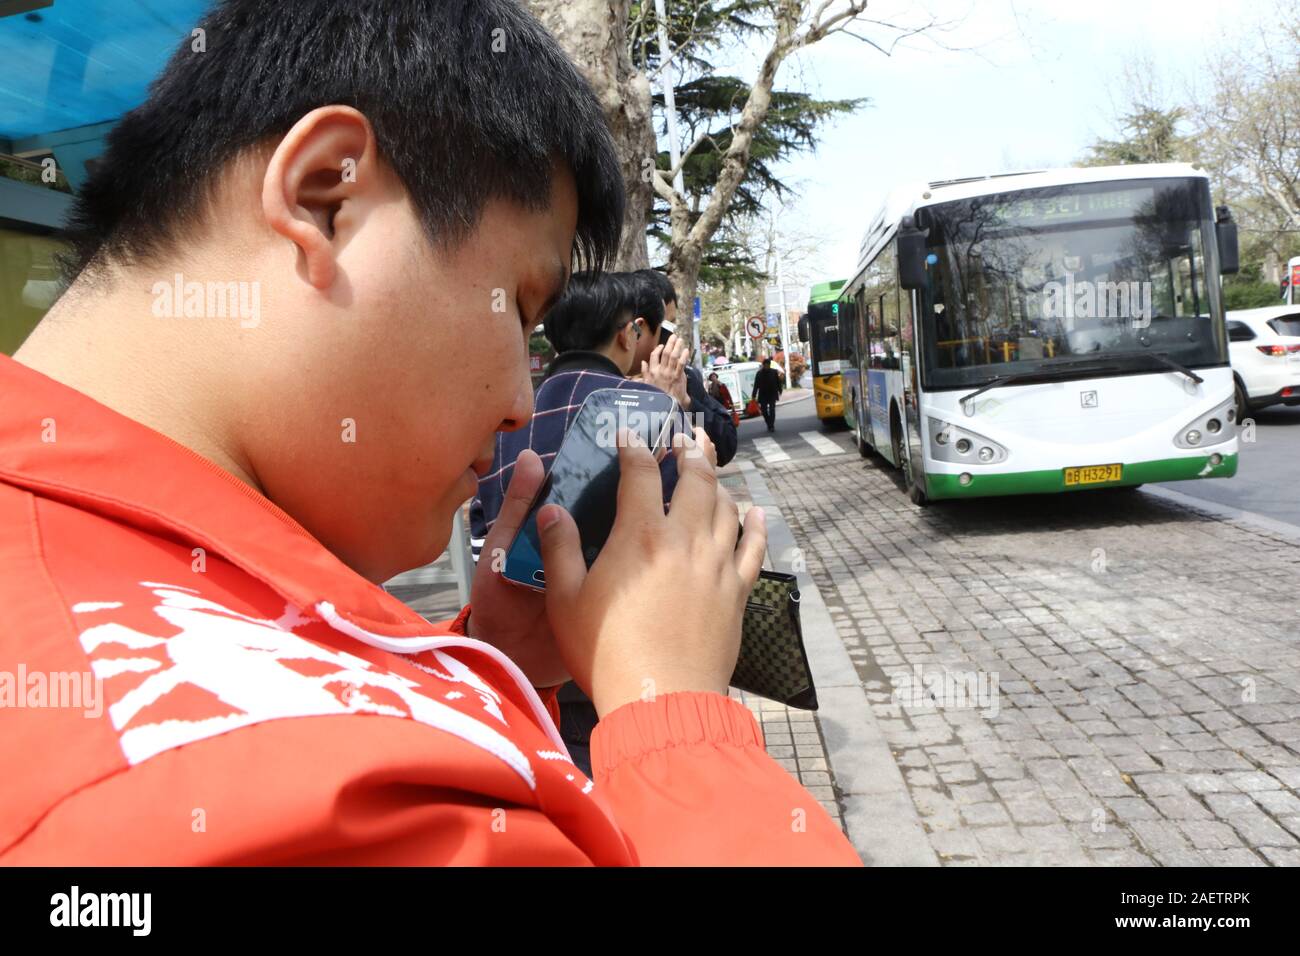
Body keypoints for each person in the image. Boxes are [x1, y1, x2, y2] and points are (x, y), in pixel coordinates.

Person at [0, 0, 858, 866]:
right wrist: (668, 713)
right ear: (325, 195)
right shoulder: (307, 805)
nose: (523, 401)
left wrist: (482, 666)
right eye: (518, 308)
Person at [633, 268, 738, 466]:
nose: (670, 337)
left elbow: (725, 446)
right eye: (664, 327)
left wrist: (686, 402)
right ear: (638, 327)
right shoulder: (609, 385)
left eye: (672, 325)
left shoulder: (684, 378)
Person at [754, 357, 785, 432]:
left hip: (772, 394)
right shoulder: (759, 373)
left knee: (772, 410)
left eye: (768, 365)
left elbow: (778, 382)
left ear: (770, 365)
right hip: (763, 394)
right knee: (764, 410)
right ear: (763, 365)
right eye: (765, 365)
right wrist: (753, 395)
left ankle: (771, 425)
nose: (767, 366)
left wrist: (780, 390)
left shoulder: (774, 372)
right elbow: (756, 385)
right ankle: (769, 422)